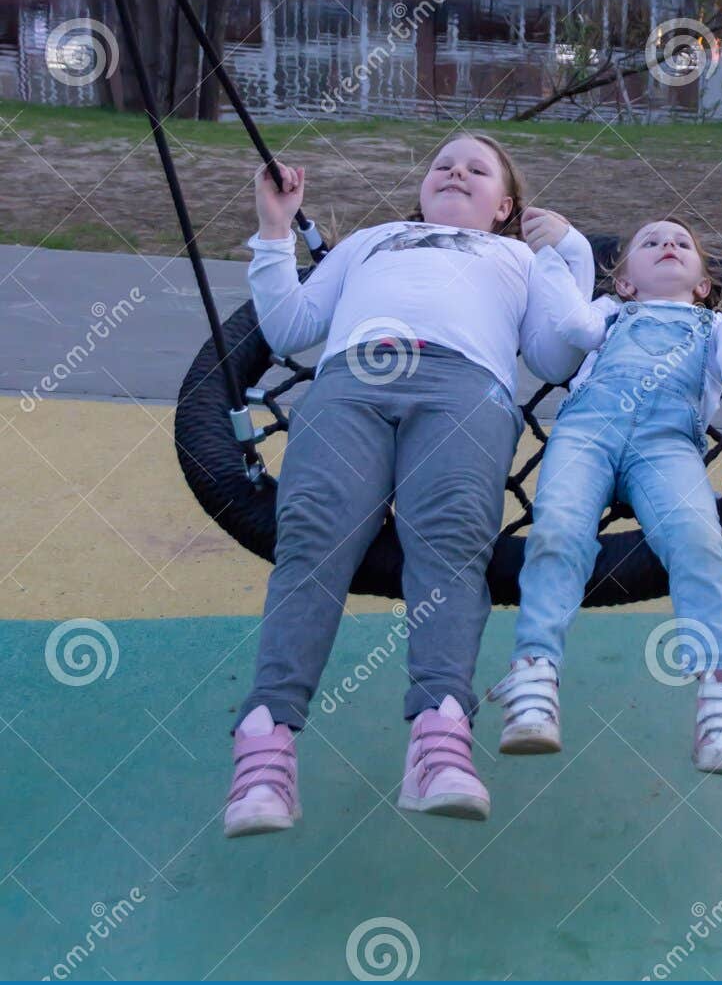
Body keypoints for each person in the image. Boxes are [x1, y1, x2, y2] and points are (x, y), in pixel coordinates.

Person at [224, 134, 593, 834]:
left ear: (505, 206)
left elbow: (555, 352)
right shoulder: (372, 241)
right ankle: (265, 745)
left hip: (465, 387)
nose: (455, 171)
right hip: (351, 381)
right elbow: (290, 326)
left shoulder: (517, 256)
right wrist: (275, 229)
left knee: (453, 539)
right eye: (441, 164)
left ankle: (439, 734)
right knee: (310, 533)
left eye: (476, 169)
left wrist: (566, 255)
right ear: (421, 191)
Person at [488, 217, 722, 777]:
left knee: (698, 542)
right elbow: (574, 327)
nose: (668, 245)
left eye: (681, 243)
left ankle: (721, 695)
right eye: (650, 243)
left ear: (702, 282)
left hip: (666, 443)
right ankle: (534, 672)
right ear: (625, 283)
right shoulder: (609, 314)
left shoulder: (716, 323)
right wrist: (556, 255)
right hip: (587, 433)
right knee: (557, 531)